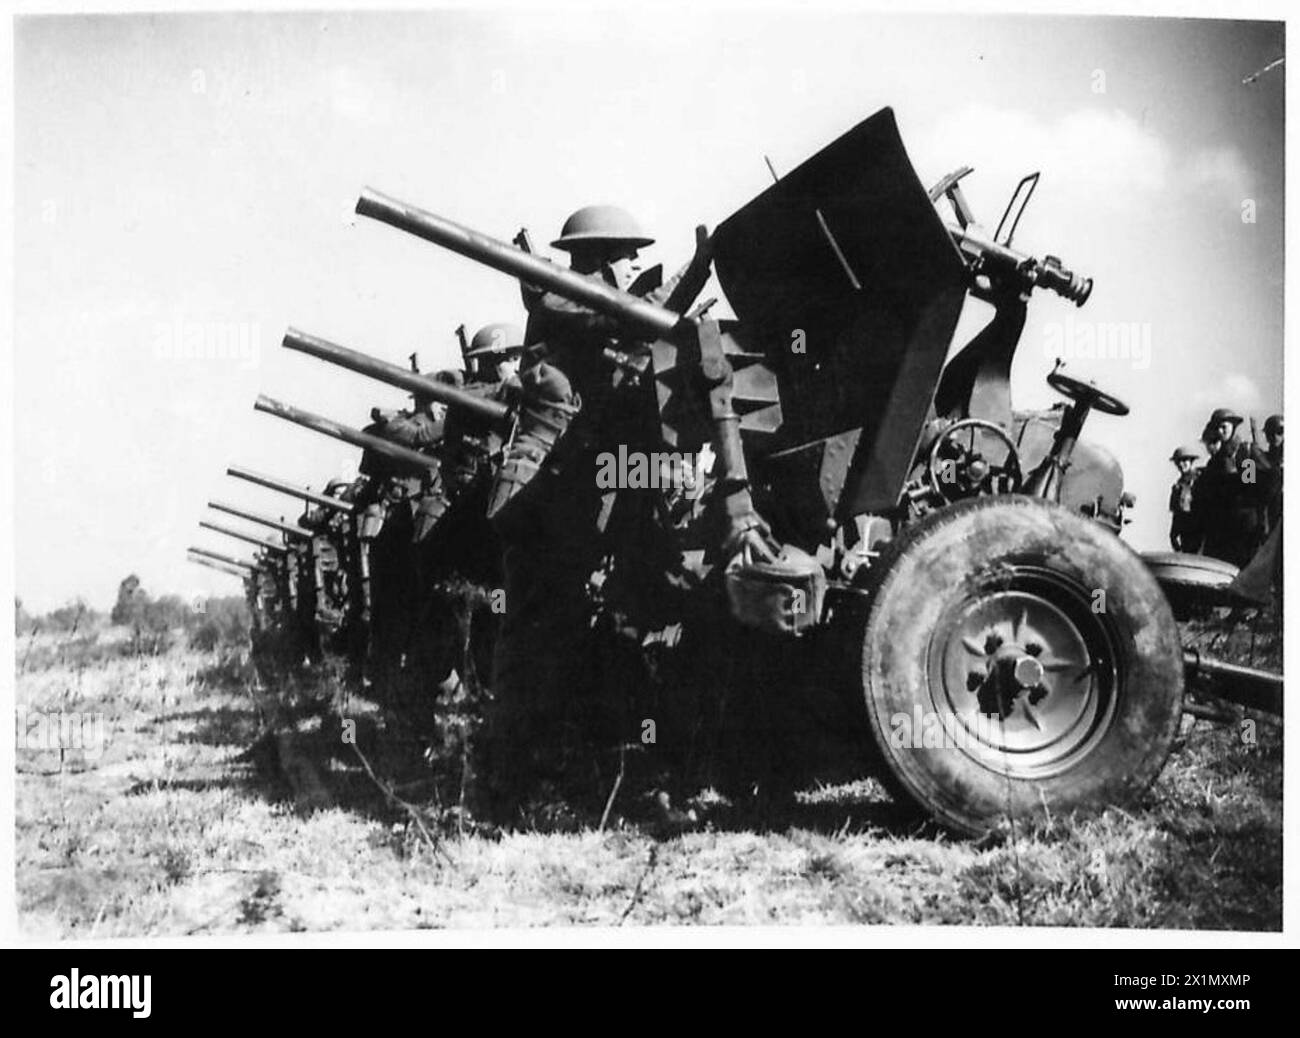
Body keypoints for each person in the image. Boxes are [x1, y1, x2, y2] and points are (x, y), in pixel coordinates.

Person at [479, 205, 771, 817]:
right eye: (629, 254)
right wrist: (694, 271)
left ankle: (582, 775)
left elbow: (638, 321)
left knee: (605, 629)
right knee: (540, 641)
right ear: (601, 257)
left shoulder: (580, 310)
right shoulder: (565, 304)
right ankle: (508, 791)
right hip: (550, 502)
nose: (637, 263)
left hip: (586, 491)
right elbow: (627, 316)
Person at [1167, 444, 1203, 552]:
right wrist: (1173, 534)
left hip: (1199, 528)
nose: (1181, 464)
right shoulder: (1178, 486)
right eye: (1178, 462)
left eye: (1184, 461)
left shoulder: (1200, 480)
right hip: (1185, 531)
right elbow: (1177, 513)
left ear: (1191, 461)